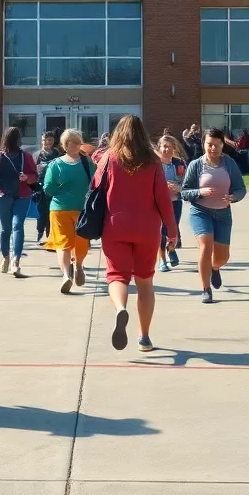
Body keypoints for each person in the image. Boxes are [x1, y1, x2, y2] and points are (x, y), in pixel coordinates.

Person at [95, 116, 178, 352]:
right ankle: (144, 337)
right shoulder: (153, 161)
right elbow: (163, 198)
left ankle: (121, 308)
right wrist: (172, 231)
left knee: (117, 276)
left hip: (115, 226)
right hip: (147, 228)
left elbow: (95, 189)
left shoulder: (109, 158)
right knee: (145, 282)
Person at [181, 128, 247, 303]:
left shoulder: (229, 163)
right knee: (205, 247)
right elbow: (184, 192)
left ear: (222, 145)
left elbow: (241, 188)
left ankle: (214, 268)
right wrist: (200, 192)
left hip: (223, 214)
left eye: (217, 145)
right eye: (210, 144)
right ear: (203, 144)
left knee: (222, 257)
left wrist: (234, 197)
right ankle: (206, 289)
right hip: (200, 211)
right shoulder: (196, 165)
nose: (213, 148)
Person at [42, 128, 94, 293]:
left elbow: (48, 189)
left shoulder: (55, 164)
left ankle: (66, 275)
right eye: (78, 141)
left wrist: (61, 188)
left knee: (62, 244)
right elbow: (96, 183)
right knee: (81, 241)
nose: (80, 144)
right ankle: (78, 266)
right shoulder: (87, 163)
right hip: (81, 209)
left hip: (59, 208)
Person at [0, 126, 38, 277]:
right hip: (3, 194)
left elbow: (34, 175)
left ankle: (15, 260)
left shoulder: (25, 156)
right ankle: (7, 258)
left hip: (20, 195)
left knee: (15, 226)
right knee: (7, 228)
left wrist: (26, 177)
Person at [156, 135, 186, 273]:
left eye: (170, 147)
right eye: (164, 146)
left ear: (174, 148)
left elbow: (186, 184)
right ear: (159, 148)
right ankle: (162, 261)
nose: (167, 149)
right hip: (158, 203)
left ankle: (171, 249)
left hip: (175, 201)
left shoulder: (179, 164)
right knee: (161, 232)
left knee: (172, 230)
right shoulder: (154, 164)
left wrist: (178, 188)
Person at [33, 131, 62, 244]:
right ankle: (40, 233)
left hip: (54, 188)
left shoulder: (58, 155)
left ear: (53, 141)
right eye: (44, 140)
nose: (47, 142)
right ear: (41, 141)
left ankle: (50, 236)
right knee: (41, 213)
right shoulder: (37, 155)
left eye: (49, 140)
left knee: (52, 213)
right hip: (40, 189)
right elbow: (32, 171)